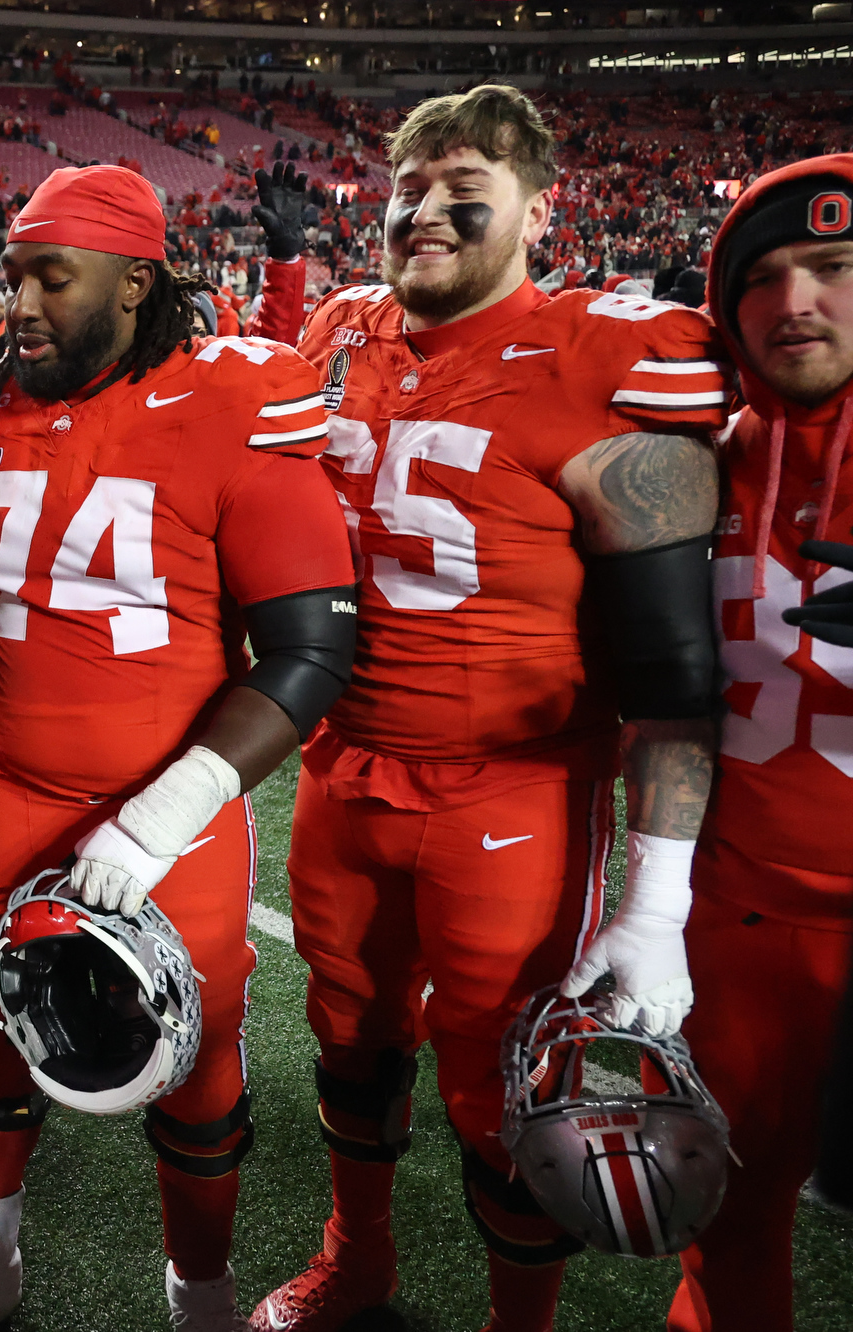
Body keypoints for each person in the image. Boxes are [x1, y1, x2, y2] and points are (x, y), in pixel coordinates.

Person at [255, 85, 729, 1332]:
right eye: (406, 188)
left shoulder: (607, 358)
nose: (423, 212)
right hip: (341, 771)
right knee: (349, 1049)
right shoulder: (338, 333)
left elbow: (675, 670)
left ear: (537, 207)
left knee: (506, 1088)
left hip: (511, 793)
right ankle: (357, 1266)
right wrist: (285, 274)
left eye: (463, 190)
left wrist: (658, 900)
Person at [0, 164, 356, 1332]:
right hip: (9, 784)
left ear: (135, 282)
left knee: (194, 1067)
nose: (19, 304)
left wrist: (157, 818)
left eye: (51, 276)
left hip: (167, 809)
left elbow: (306, 651)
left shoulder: (233, 398)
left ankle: (199, 1293)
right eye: (13, 275)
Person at [670, 153, 853, 1332]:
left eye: (833, 269)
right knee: (725, 1218)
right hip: (729, 913)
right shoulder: (679, 462)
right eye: (763, 278)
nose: (794, 301)